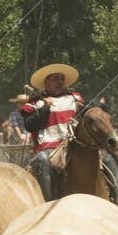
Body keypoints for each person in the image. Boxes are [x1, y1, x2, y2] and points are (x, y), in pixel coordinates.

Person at [17, 63, 83, 200]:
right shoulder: (35, 102)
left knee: (105, 156)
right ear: (46, 82)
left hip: (74, 144)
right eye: (56, 79)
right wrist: (45, 108)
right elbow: (29, 126)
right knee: (43, 159)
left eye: (61, 79)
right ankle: (48, 201)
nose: (60, 82)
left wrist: (90, 108)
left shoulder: (74, 97)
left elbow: (87, 116)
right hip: (49, 147)